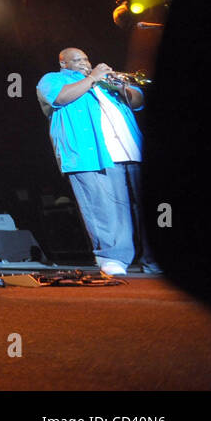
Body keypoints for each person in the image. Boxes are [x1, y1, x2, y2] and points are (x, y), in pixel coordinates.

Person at [36, 48, 158, 275]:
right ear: (63, 64)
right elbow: (59, 98)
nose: (84, 63)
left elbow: (139, 100)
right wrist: (92, 78)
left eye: (86, 59)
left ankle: (152, 259)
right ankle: (112, 258)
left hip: (131, 151)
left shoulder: (106, 82)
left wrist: (120, 86)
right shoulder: (53, 80)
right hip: (91, 155)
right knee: (104, 208)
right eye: (77, 60)